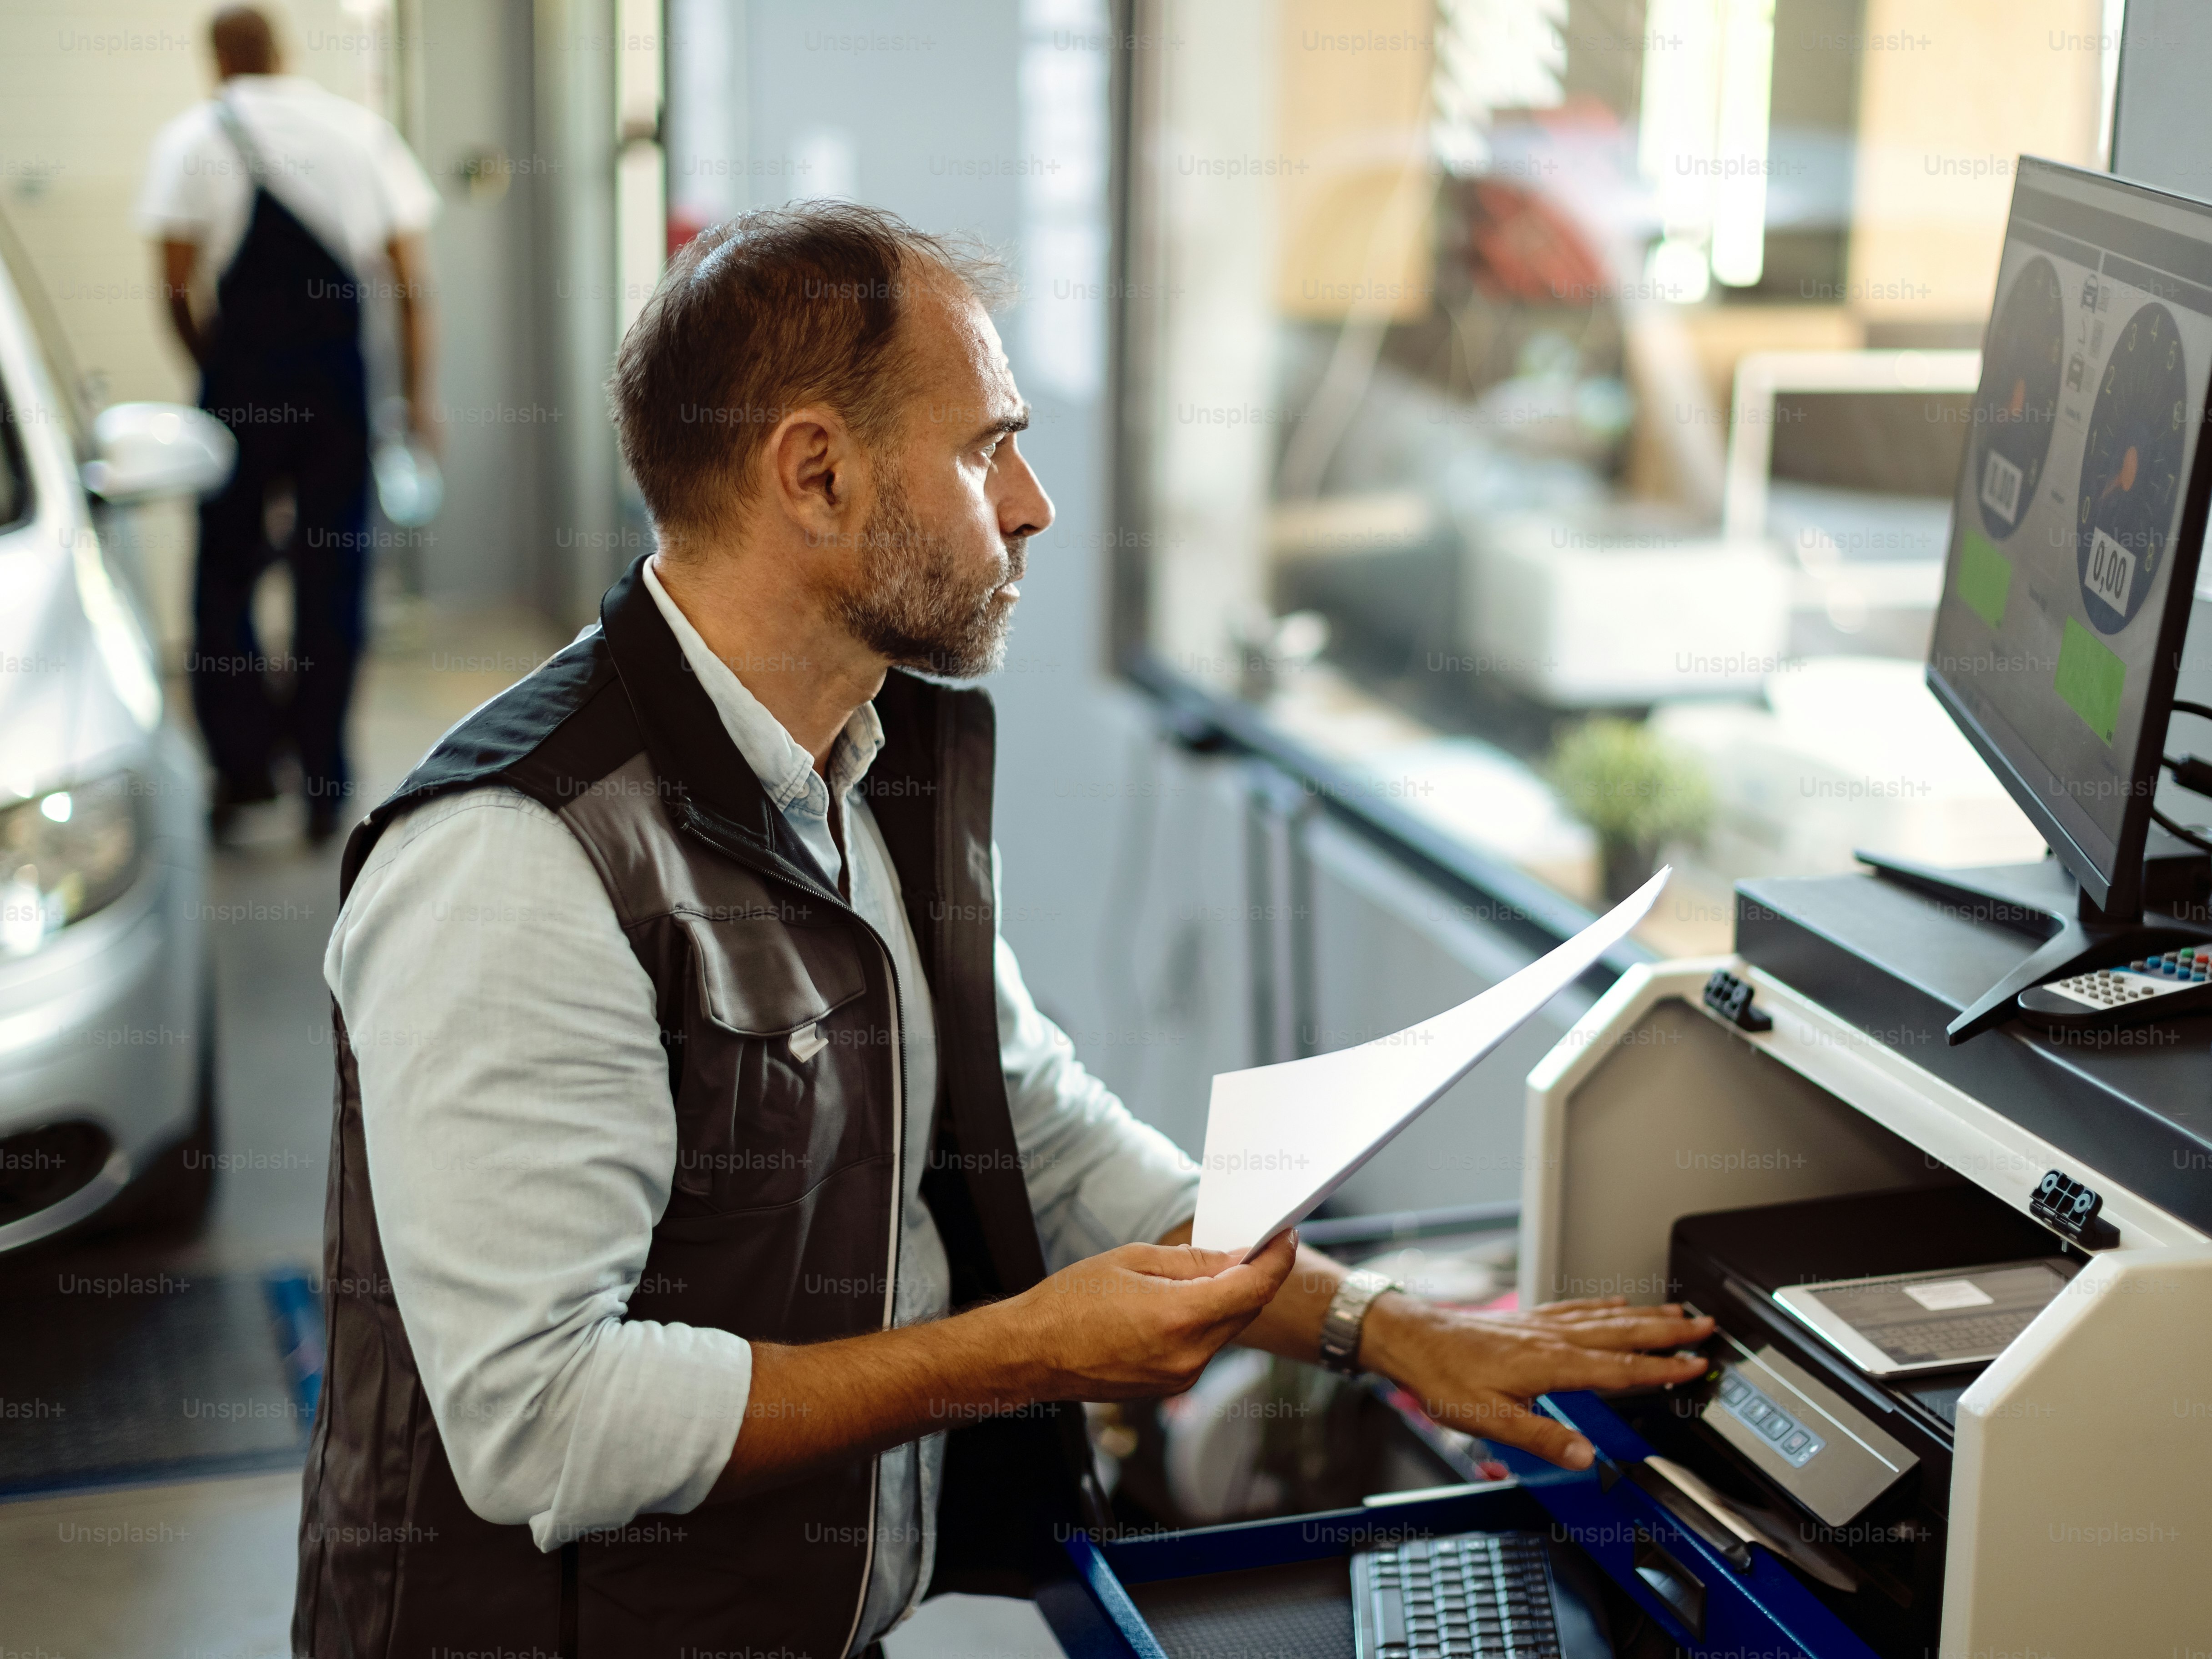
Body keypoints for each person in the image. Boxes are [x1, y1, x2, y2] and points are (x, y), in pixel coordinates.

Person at [293, 201, 1714, 1656]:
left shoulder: (871, 765)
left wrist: (1395, 1329)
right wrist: (1024, 1353)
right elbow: (542, 1425)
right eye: (986, 449)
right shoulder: (516, 856)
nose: (1031, 502)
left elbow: (1032, 1129)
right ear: (817, 473)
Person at [133, 5, 439, 842]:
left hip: (242, 387)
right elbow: (412, 285)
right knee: (331, 575)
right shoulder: (358, 133)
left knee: (225, 573)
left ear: (218, 60)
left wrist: (216, 370)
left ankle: (241, 773)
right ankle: (323, 781)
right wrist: (418, 401)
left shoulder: (193, 138)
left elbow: (171, 284)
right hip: (339, 384)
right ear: (282, 53)